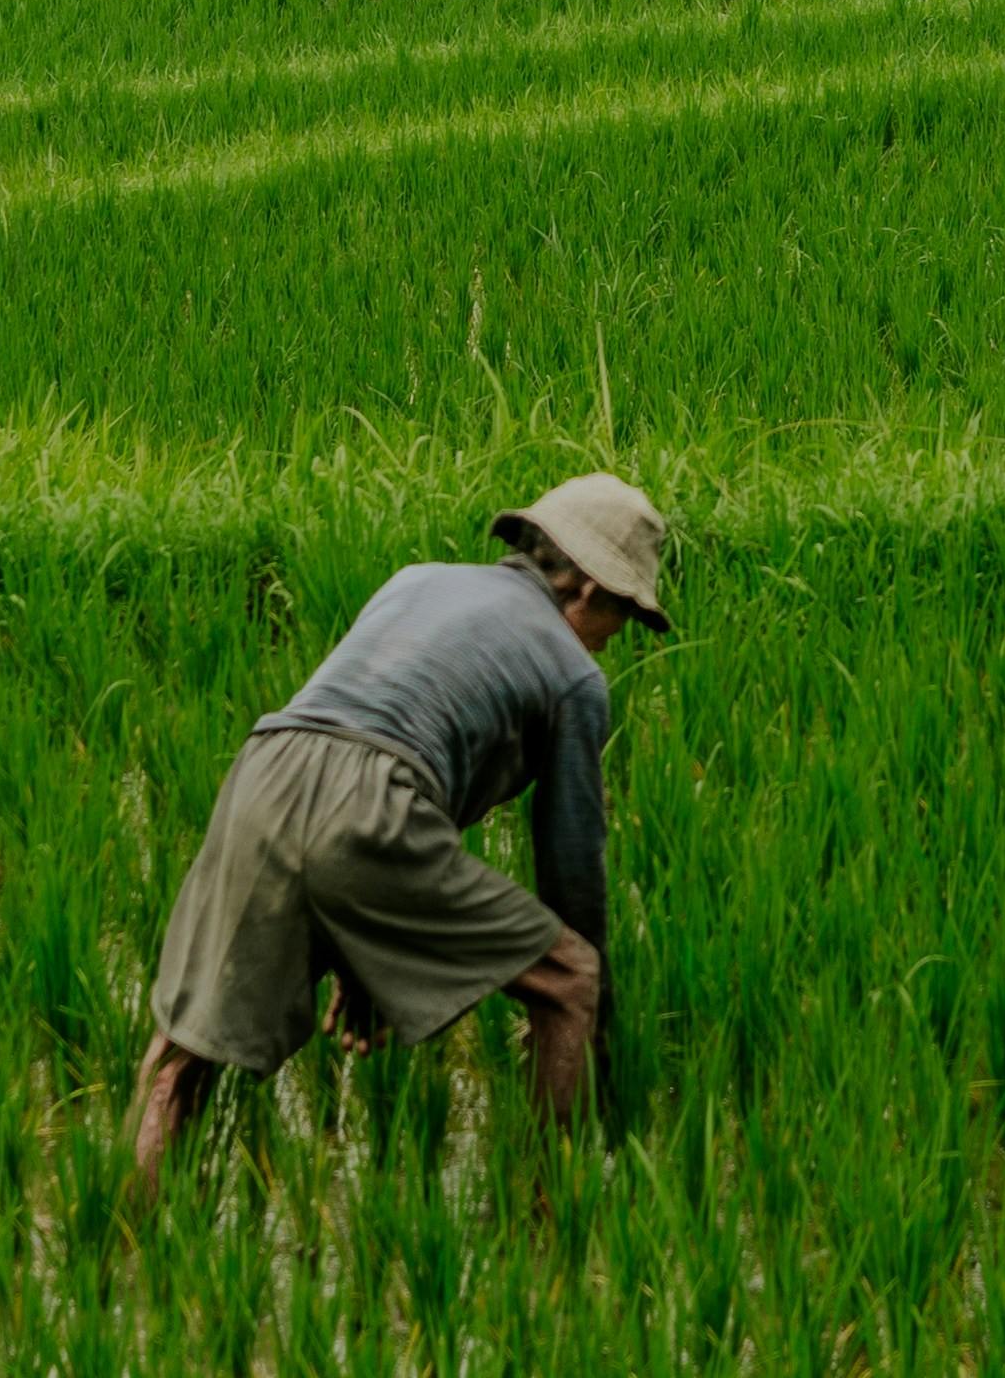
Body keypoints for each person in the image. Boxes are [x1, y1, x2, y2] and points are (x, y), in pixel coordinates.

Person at [128, 472, 673, 1168]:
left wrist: (372, 956)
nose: (611, 641)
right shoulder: (574, 675)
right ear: (592, 589)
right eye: (624, 617)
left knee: (180, 1059)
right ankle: (548, 1215)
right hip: (372, 802)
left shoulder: (415, 580)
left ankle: (113, 1250)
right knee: (568, 977)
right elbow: (569, 870)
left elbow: (374, 752)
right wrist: (595, 1012)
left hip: (264, 773)